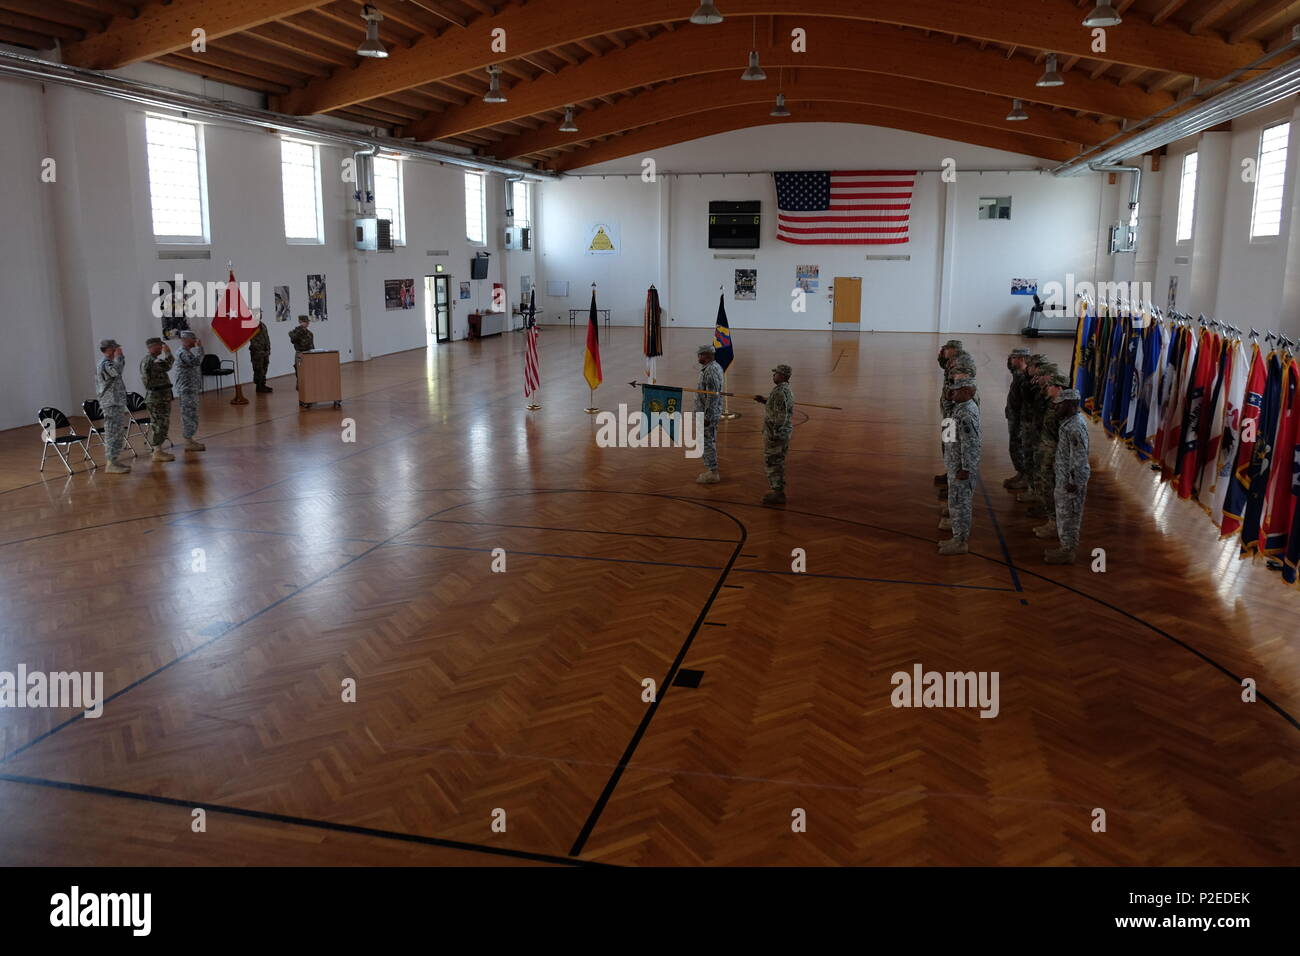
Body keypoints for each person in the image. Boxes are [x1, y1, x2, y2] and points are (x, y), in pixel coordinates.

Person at [1047, 389, 1091, 564]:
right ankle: (1065, 547)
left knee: (1070, 516)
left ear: (1072, 405)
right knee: (1065, 514)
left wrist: (1074, 481)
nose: (1056, 407)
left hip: (1070, 481)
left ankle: (1068, 550)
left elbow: (1079, 457)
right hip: (1064, 478)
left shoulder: (1074, 427)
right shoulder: (1068, 422)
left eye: (1060, 405)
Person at [939, 372, 981, 556]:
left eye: (955, 391)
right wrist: (949, 400)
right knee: (955, 501)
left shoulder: (966, 413)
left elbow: (971, 444)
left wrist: (966, 468)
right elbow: (947, 429)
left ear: (966, 391)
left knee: (961, 503)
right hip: (954, 463)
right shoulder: (959, 407)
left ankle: (960, 541)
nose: (952, 394)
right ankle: (956, 533)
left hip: (960, 468)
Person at [1032, 372, 1069, 540]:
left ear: (1059, 389)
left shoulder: (1065, 409)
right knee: (1045, 487)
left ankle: (1055, 523)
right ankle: (1050, 518)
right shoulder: (1052, 403)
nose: (1047, 388)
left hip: (1054, 456)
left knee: (1052, 488)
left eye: (1050, 386)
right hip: (1045, 451)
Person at [754, 364, 795, 505]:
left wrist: (774, 433)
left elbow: (781, 416)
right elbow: (778, 406)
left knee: (772, 462)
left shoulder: (779, 392)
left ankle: (778, 493)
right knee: (778, 461)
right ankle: (778, 490)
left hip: (776, 434)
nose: (773, 376)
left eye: (776, 373)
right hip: (783, 432)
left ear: (782, 376)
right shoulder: (785, 389)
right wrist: (764, 401)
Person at [96, 338, 130, 474]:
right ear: (109, 349)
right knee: (112, 433)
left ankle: (114, 460)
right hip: (110, 403)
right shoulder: (105, 364)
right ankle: (110, 463)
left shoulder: (109, 362)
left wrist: (118, 358)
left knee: (117, 432)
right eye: (115, 348)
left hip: (115, 402)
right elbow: (117, 371)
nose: (117, 350)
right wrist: (119, 357)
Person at [139, 336, 175, 462]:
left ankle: (158, 450)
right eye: (159, 345)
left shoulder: (153, 360)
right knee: (159, 424)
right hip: (156, 398)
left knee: (162, 423)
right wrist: (168, 352)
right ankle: (157, 451)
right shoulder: (151, 361)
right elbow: (168, 366)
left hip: (160, 397)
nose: (161, 347)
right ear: (152, 347)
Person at [694, 344, 724, 484]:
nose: (698, 357)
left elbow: (713, 396)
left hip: (708, 415)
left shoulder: (711, 371)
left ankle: (713, 472)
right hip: (708, 413)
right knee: (708, 440)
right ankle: (711, 469)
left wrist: (707, 416)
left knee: (707, 441)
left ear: (706, 355)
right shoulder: (713, 367)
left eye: (700, 354)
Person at [1003, 347, 1031, 490]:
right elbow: (1010, 366)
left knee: (1020, 447)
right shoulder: (1017, 373)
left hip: (1022, 420)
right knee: (1014, 447)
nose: (1010, 360)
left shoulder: (1026, 377)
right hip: (1014, 417)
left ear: (1021, 359)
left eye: (1014, 358)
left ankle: (1026, 477)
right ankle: (1020, 472)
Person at [174, 330, 205, 451]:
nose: (195, 341)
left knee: (191, 414)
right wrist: (200, 348)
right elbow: (196, 362)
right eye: (193, 339)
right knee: (188, 415)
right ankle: (188, 441)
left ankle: (189, 440)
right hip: (186, 389)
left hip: (190, 388)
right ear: (186, 340)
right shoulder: (182, 353)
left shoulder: (186, 352)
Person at [288, 314, 314, 389]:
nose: (307, 323)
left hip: (308, 353)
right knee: (299, 370)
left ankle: (308, 384)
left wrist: (313, 353)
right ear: (300, 322)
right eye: (305, 322)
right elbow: (293, 339)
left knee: (309, 370)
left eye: (307, 322)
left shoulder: (310, 333)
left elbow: (312, 345)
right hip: (300, 353)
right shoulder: (296, 332)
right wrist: (300, 330)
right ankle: (299, 384)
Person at [250, 318, 272, 393]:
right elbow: (252, 340)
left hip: (265, 352)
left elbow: (267, 338)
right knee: (258, 369)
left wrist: (268, 349)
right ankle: (258, 386)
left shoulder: (263, 325)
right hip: (257, 353)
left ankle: (263, 385)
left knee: (264, 368)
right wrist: (259, 350)